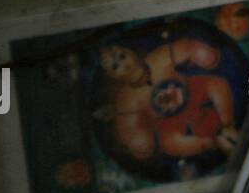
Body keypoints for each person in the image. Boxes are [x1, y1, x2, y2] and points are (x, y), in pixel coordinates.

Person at [96, 37, 239, 168]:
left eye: (122, 56)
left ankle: (227, 125)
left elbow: (185, 48)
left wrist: (198, 52)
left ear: (131, 52)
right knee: (170, 145)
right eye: (115, 66)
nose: (123, 63)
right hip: (168, 121)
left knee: (217, 85)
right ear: (112, 76)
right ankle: (212, 142)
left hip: (192, 89)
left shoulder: (159, 58)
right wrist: (138, 140)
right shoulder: (126, 100)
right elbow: (130, 128)